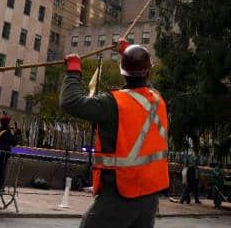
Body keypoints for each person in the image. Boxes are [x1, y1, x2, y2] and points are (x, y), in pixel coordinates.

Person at [60, 40, 168, 228]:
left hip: (121, 193)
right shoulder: (158, 99)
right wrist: (126, 51)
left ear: (121, 71)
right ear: (149, 71)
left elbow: (71, 102)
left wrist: (74, 69)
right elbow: (142, 79)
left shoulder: (113, 104)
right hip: (149, 197)